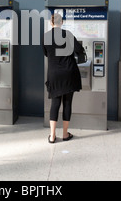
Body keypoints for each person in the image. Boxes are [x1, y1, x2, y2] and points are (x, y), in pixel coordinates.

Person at [42, 13, 85, 144]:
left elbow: (46, 53)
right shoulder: (68, 35)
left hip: (54, 73)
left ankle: (52, 135)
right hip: (69, 73)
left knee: (55, 103)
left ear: (51, 23)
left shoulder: (46, 37)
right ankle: (65, 134)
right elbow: (80, 50)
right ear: (62, 22)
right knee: (67, 103)